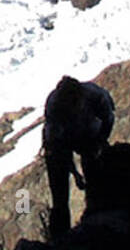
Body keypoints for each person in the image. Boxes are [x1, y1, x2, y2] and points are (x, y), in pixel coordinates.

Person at [42, 75, 115, 238]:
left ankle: (96, 218)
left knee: (95, 177)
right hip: (63, 139)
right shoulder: (54, 105)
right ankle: (60, 235)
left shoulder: (96, 95)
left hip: (89, 134)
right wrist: (75, 174)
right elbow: (55, 144)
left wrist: (100, 142)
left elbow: (108, 118)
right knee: (59, 193)